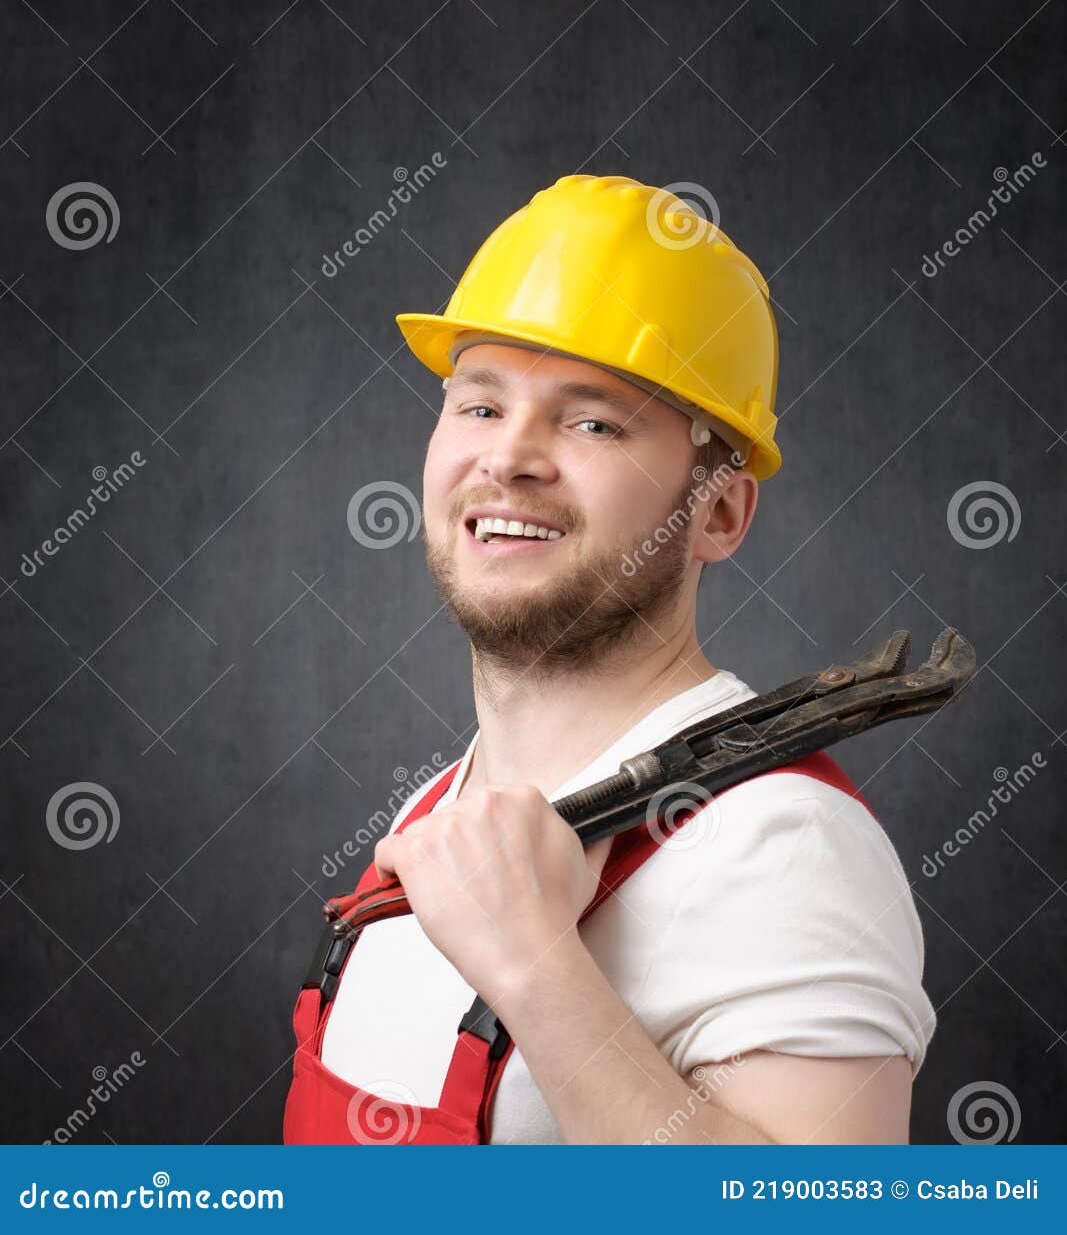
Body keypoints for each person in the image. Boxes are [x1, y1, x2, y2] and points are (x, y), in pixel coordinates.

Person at [283, 173, 934, 1145]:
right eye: (479, 405)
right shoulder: (432, 816)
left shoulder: (779, 844)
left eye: (592, 421)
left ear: (716, 511)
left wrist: (535, 968)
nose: (508, 457)